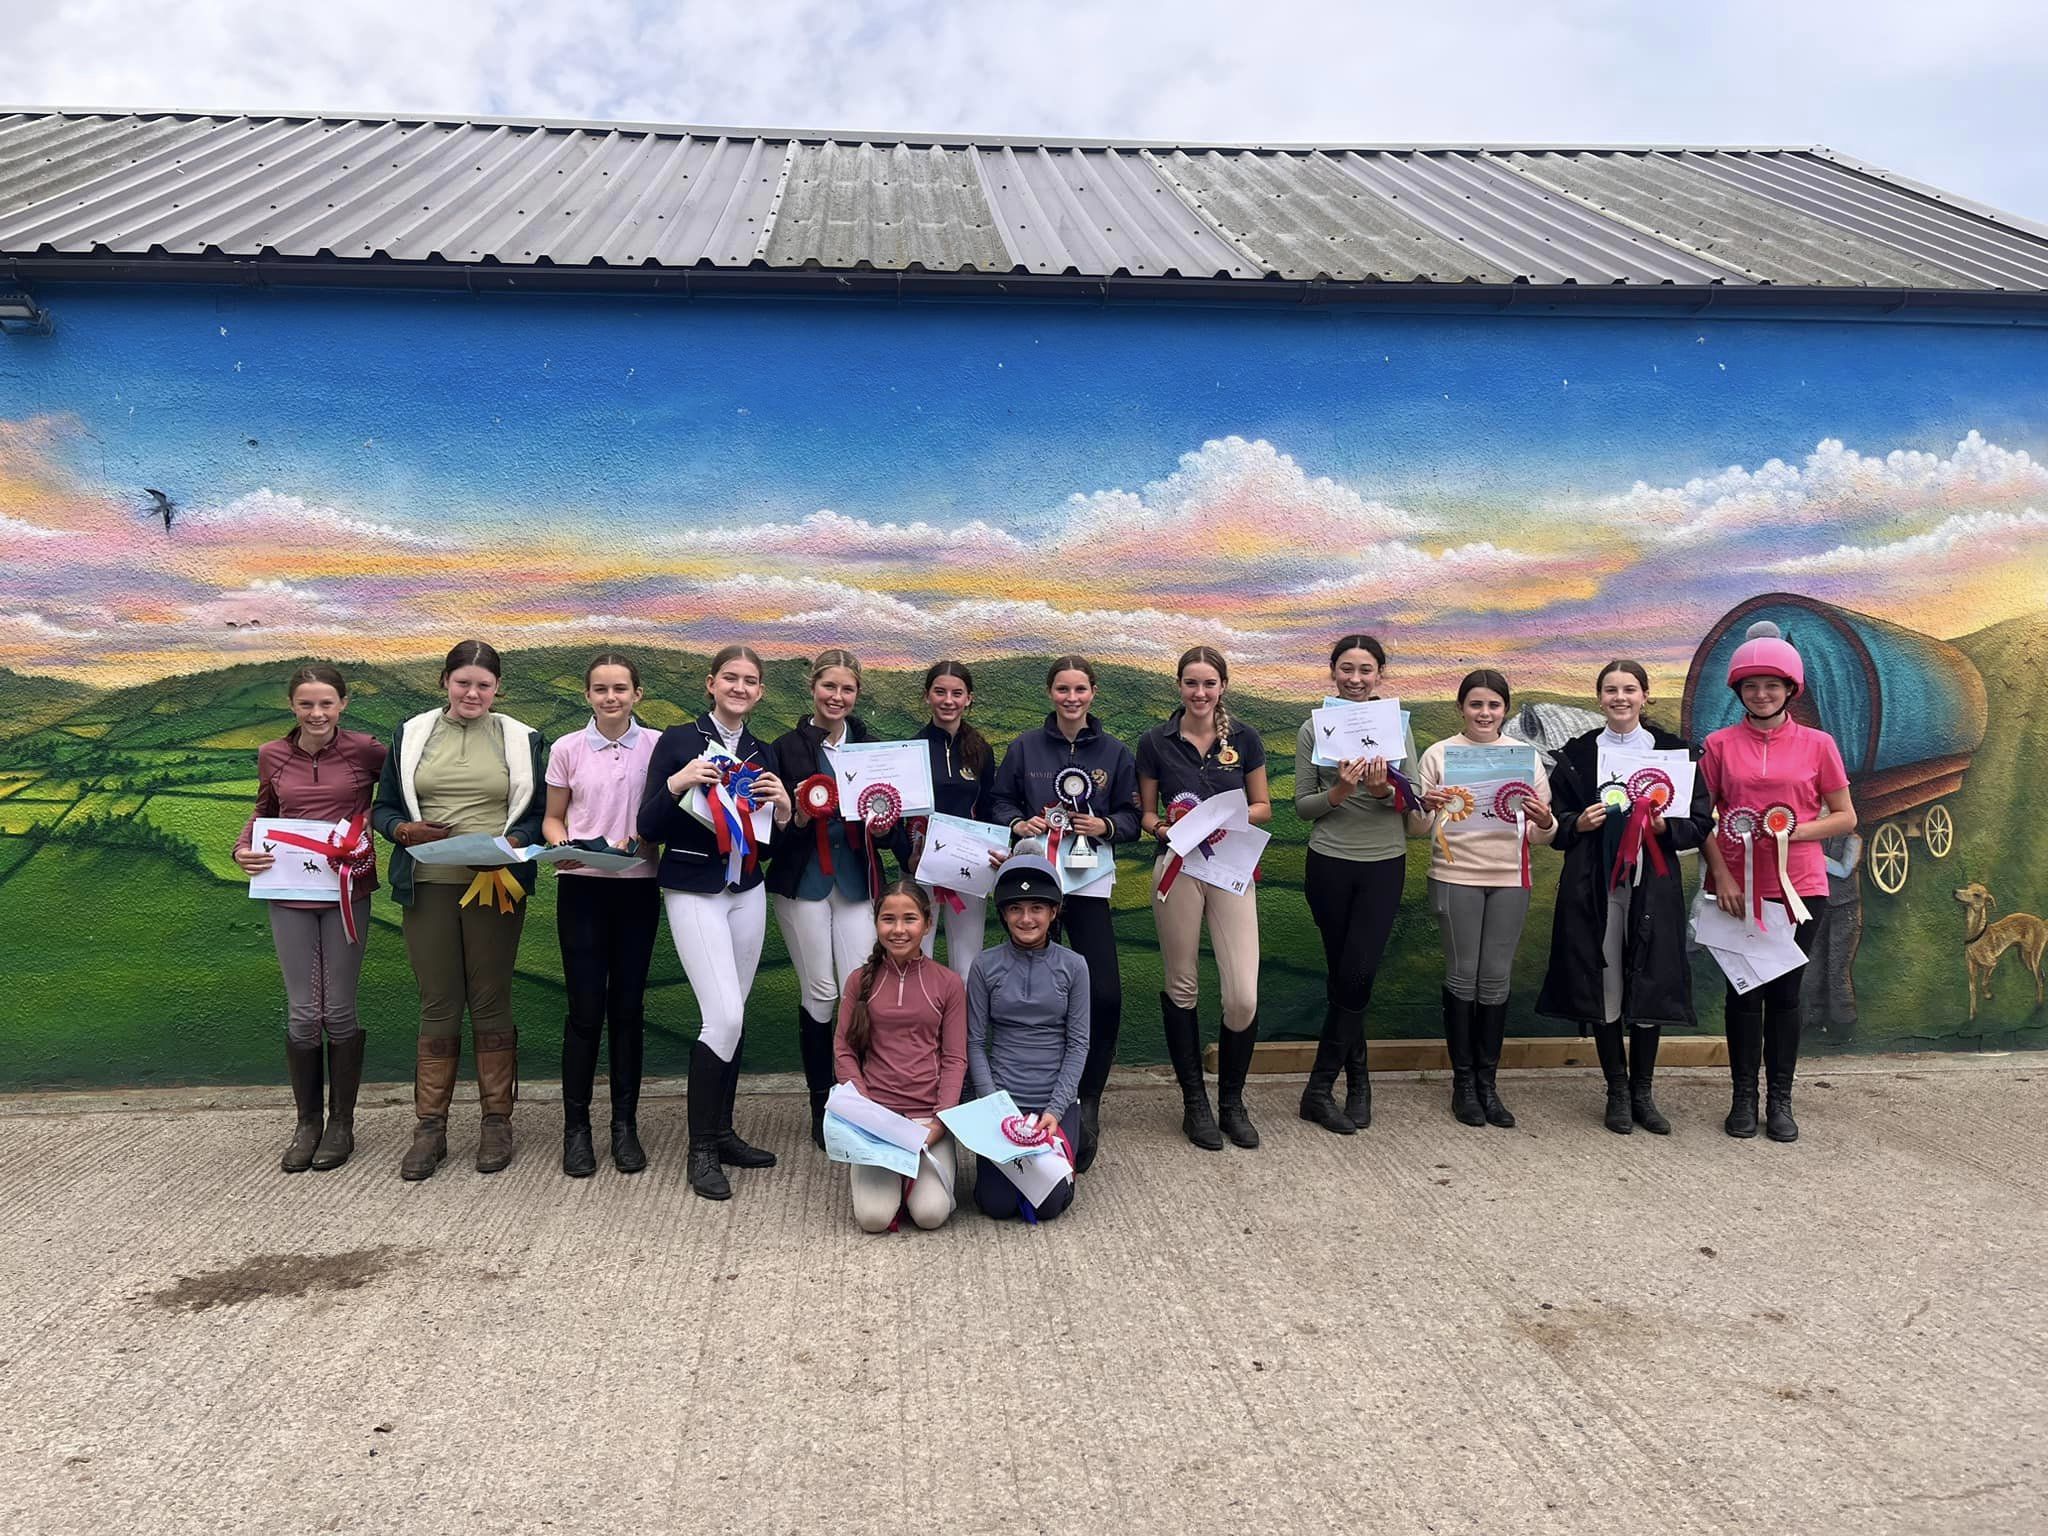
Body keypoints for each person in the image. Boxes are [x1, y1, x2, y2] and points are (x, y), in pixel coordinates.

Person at [372, 639, 547, 1180]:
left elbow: (540, 815)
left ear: (498, 689)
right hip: (428, 884)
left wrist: (511, 844)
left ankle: (497, 1122)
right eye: (463, 682)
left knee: (491, 999)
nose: (472, 693)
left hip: (495, 886)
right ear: (445, 682)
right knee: (438, 1001)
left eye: (484, 685)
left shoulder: (522, 739)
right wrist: (402, 831)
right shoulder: (412, 734)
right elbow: (383, 807)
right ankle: (430, 1128)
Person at [638, 643, 794, 1201]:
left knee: (734, 1013)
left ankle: (723, 1132)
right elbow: (647, 824)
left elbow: (769, 847)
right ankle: (700, 1147)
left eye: (751, 681)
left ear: (760, 691)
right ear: (711, 683)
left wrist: (785, 810)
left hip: (746, 888)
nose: (741, 688)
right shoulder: (677, 740)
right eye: (731, 678)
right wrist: (679, 782)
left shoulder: (762, 750)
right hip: (693, 888)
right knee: (722, 1015)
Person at [1536, 660, 1713, 1136]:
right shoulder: (1576, 755)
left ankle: (1643, 1093)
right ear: (1599, 699)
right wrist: (1579, 823)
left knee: (1649, 979)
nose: (1620, 698)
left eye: (1629, 689)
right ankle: (1616, 1089)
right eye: (1611, 690)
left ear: (1645, 696)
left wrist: (1664, 827)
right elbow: (1555, 823)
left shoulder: (1674, 753)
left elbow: (1699, 822)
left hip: (1650, 881)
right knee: (1606, 978)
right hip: (1595, 883)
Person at [1700, 622, 1857, 1143]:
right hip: (1738, 888)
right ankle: (1743, 1098)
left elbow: (1845, 817)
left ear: (1790, 690)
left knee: (1787, 994)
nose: (1761, 694)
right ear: (1739, 692)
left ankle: (1781, 1100)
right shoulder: (1719, 745)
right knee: (1743, 995)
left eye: (1771, 685)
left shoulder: (1818, 745)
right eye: (1751, 686)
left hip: (1800, 887)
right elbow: (1705, 817)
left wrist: (1791, 831)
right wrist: (1721, 874)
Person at [232, 664, 388, 1173]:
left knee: (338, 1008)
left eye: (326, 703)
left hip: (347, 890)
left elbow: (398, 800)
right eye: (306, 704)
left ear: (342, 703)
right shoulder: (272, 755)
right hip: (289, 892)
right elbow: (263, 812)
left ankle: (342, 1125)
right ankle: (307, 1123)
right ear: (292, 707)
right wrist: (241, 848)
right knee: (303, 1010)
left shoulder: (367, 750)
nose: (316, 713)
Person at [987, 655, 1138, 1174]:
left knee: (1106, 992)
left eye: (1080, 689)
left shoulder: (1115, 751)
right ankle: (1010, 1092)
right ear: (1050, 693)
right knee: (1018, 986)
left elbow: (1133, 816)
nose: (1071, 698)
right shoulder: (1025, 746)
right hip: (1035, 881)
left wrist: (1108, 827)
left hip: (1089, 880)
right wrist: (1018, 822)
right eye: (1062, 689)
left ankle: (1088, 1098)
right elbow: (999, 800)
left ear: (1093, 692)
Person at [1137, 645, 1271, 1150]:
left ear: (1222, 687)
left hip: (1232, 868)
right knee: (1183, 984)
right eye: (1191, 683)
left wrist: (1220, 816)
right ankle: (1196, 1103)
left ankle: (1232, 1102)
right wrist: (1167, 827)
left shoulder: (1245, 739)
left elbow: (1263, 806)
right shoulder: (1155, 742)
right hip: (1177, 869)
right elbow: (1147, 815)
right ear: (1179, 686)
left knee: (1242, 995)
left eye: (1209, 684)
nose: (1200, 693)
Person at [1410, 670, 1556, 1128]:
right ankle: (1463, 1084)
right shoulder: (1439, 755)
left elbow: (1540, 836)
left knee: (1495, 979)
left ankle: (1488, 1086)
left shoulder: (1525, 757)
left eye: (1494, 705)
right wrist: (1426, 807)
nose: (1485, 713)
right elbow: (1415, 830)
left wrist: (1545, 818)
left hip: (1511, 877)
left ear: (1505, 710)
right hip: (1456, 875)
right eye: (1476, 704)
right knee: (1463, 975)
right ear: (1461, 708)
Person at [542, 651, 661, 1178]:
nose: (610, 697)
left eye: (620, 688)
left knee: (629, 1010)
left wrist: (645, 841)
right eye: (600, 689)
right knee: (585, 1012)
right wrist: (564, 843)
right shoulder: (568, 747)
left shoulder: (658, 746)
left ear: (637, 694)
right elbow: (551, 818)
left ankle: (624, 1128)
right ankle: (577, 1130)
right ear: (587, 695)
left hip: (638, 888)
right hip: (582, 889)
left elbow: (666, 812)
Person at [1293, 635, 1417, 1135]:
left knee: (1359, 972)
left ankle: (1323, 1087)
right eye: (1347, 669)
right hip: (1329, 863)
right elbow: (1303, 807)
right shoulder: (1312, 728)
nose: (1356, 678)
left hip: (1384, 863)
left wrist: (1385, 789)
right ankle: (1355, 1082)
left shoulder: (1398, 727)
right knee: (1343, 974)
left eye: (1366, 670)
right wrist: (1341, 790)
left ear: (1380, 675)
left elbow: (1417, 802)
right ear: (1333, 673)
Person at [768, 648, 889, 1150]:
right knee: (820, 992)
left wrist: (892, 827)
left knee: (861, 991)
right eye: (829, 687)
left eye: (847, 689)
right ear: (812, 688)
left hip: (857, 880)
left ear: (857, 694)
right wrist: (794, 816)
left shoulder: (873, 745)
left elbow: (888, 820)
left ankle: (862, 1095)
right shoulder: (785, 747)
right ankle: (822, 1103)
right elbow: (771, 830)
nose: (837, 697)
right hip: (804, 883)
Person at [834, 880, 968, 1233]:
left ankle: (913, 1181)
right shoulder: (857, 981)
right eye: (887, 919)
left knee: (930, 1215)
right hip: (876, 1122)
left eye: (909, 919)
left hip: (928, 1124)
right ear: (876, 923)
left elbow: (955, 1058)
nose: (898, 930)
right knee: (874, 1219)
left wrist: (940, 1124)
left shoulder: (948, 983)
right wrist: (866, 1115)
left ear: (926, 923)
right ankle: (888, 1179)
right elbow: (844, 1051)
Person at [966, 856, 1089, 1223]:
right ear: (1003, 914)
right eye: (1016, 909)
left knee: (1049, 1206)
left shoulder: (1074, 966)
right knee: (997, 1205)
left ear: (1054, 912)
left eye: (1037, 908)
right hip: (1003, 1102)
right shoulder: (984, 965)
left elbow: (1079, 1044)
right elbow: (974, 1041)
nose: (1026, 919)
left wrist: (1055, 1110)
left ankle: (1074, 1139)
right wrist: (993, 1106)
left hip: (1055, 1102)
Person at [906, 660, 997, 980]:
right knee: (918, 955)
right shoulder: (911, 749)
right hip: (921, 867)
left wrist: (994, 850)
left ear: (968, 698)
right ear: (927, 696)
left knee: (968, 961)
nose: (948, 700)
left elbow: (989, 808)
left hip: (969, 868)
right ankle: (921, 1030)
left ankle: (966, 1031)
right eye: (940, 692)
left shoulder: (981, 750)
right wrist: (909, 852)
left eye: (957, 693)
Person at [1800, 831, 1864, 1043]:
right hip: (1819, 905)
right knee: (1813, 964)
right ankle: (1813, 1019)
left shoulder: (1854, 840)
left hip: (1845, 909)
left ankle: (1843, 1022)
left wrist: (1813, 857)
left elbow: (1845, 870)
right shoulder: (1817, 838)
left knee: (1838, 966)